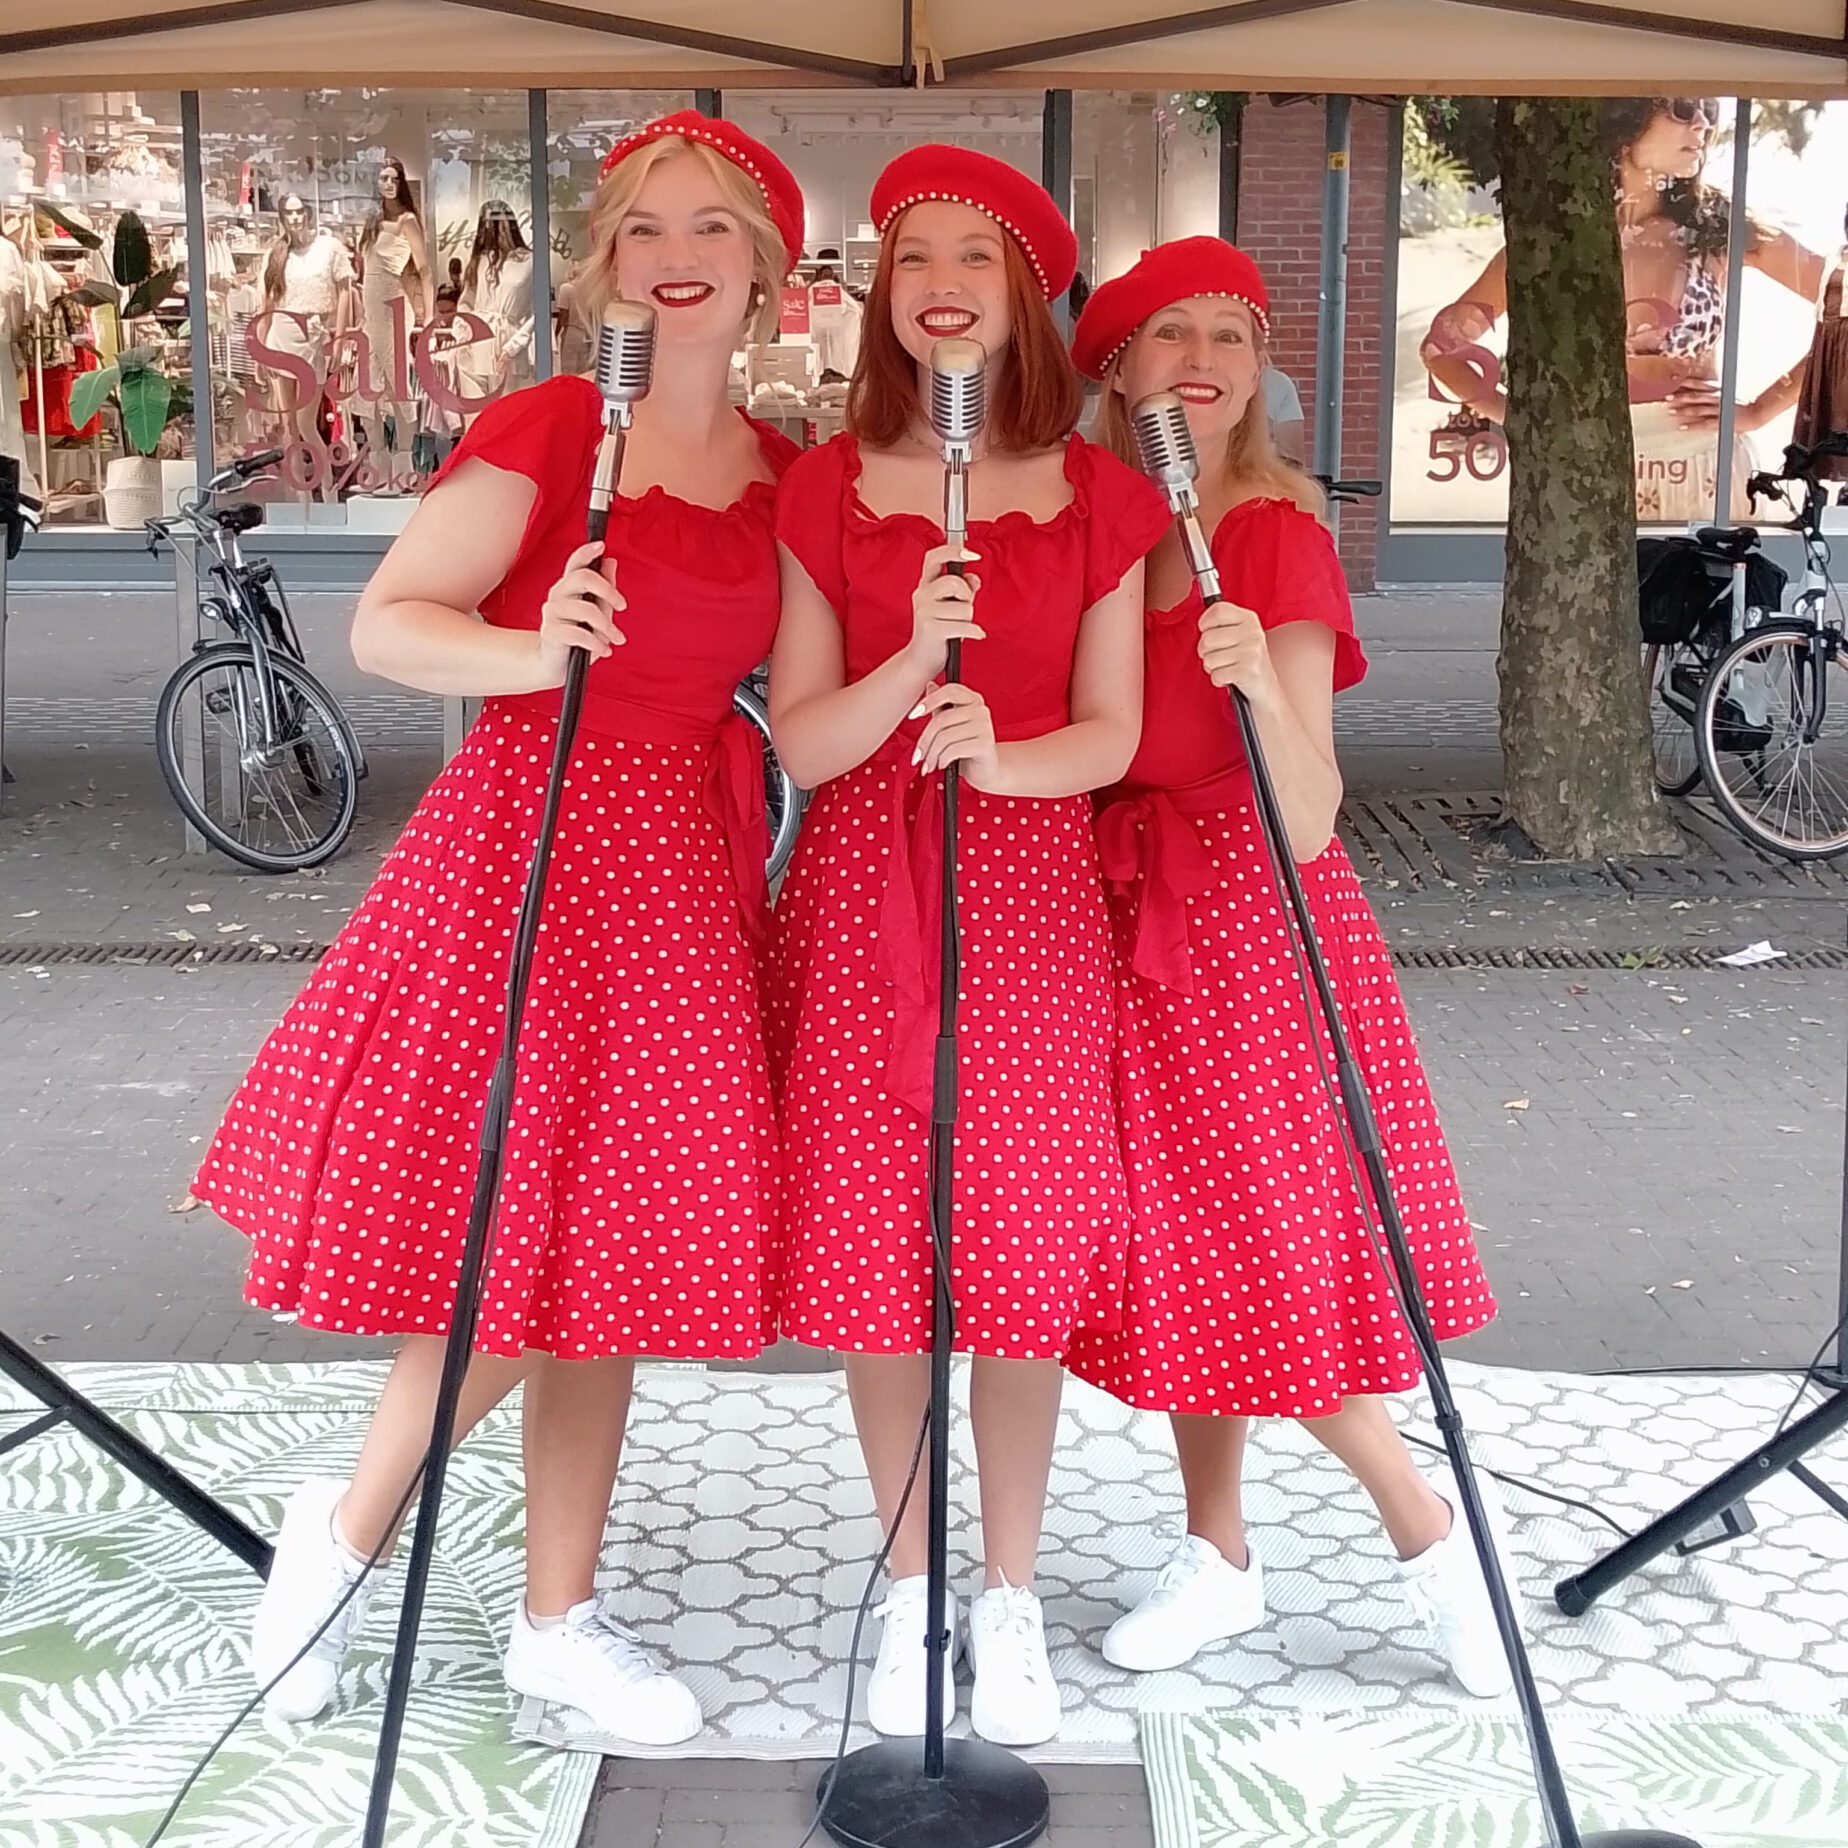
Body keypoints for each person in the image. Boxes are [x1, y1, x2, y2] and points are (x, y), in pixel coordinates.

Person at [191, 109, 805, 1745]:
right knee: (498, 1257)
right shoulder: (550, 426)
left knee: (603, 1264)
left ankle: (558, 1614)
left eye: (713, 231)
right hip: (526, 855)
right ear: (610, 265)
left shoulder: (782, 471)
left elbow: (808, 702)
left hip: (683, 870)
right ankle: (339, 1537)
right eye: (646, 231)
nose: (676, 260)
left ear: (764, 271)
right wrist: (540, 646)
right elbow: (391, 625)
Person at [767, 145, 1169, 1749]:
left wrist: (998, 749)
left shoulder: (1104, 498)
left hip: (1029, 910)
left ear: (1025, 300)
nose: (940, 279)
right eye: (912, 252)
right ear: (884, 293)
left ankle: (1005, 1589)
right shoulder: (823, 484)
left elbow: (1114, 731)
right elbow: (803, 743)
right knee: (881, 1265)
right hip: (865, 898)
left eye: (977, 257)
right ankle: (909, 1579)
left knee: (1008, 1268)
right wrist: (911, 663)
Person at [1065, 238, 1506, 1697]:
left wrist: (1257, 676)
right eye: (1168, 335)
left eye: (1233, 339)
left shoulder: (1273, 535)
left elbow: (1311, 814)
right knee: (1191, 1258)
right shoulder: (1099, 528)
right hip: (1119, 927)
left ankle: (1429, 1534)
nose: (1201, 360)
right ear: (1115, 369)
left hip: (1254, 930)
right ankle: (1219, 1555)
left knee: (1261, 1249)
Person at [1421, 97, 1827, 521]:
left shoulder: (1719, 227)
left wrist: (1759, 411)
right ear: (1624, 123)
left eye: (1709, 109)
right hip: (1586, 472)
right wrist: (1520, 418)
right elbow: (1441, 348)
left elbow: (1842, 306)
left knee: (1715, 587)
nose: (1704, 123)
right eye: (1684, 108)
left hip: (1701, 467)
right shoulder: (1556, 239)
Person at [354, 156, 432, 477]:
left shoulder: (407, 221)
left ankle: (403, 462)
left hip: (393, 308)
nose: (388, 184)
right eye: (383, 178)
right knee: (366, 389)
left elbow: (424, 270)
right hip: (370, 311)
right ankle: (377, 461)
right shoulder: (371, 222)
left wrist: (427, 316)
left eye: (393, 178)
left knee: (398, 385)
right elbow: (362, 273)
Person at [1792, 204, 1848, 481]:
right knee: (1823, 406)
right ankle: (1815, 488)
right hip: (1827, 334)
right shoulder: (1834, 257)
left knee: (1845, 407)